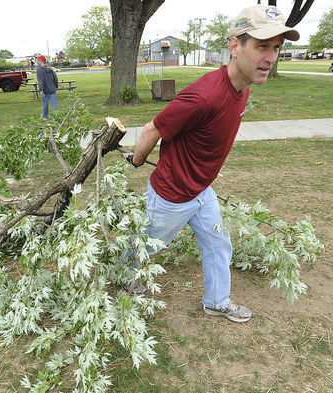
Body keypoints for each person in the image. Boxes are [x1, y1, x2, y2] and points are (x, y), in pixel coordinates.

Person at [122, 5, 299, 323]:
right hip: (172, 196)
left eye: (276, 48)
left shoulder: (242, 87)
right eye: (262, 46)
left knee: (219, 243)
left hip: (201, 191)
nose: (271, 57)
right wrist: (136, 160)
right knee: (146, 246)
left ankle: (216, 301)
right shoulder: (203, 96)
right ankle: (124, 274)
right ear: (235, 46)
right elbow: (152, 130)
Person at [36, 55, 58, 120]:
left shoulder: (39, 70)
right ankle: (56, 117)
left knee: (45, 105)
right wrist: (56, 86)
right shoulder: (50, 69)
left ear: (42, 61)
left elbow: (40, 81)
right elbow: (55, 79)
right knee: (54, 105)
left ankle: (45, 117)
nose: (37, 62)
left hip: (45, 90)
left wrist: (41, 90)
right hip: (52, 89)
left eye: (38, 60)